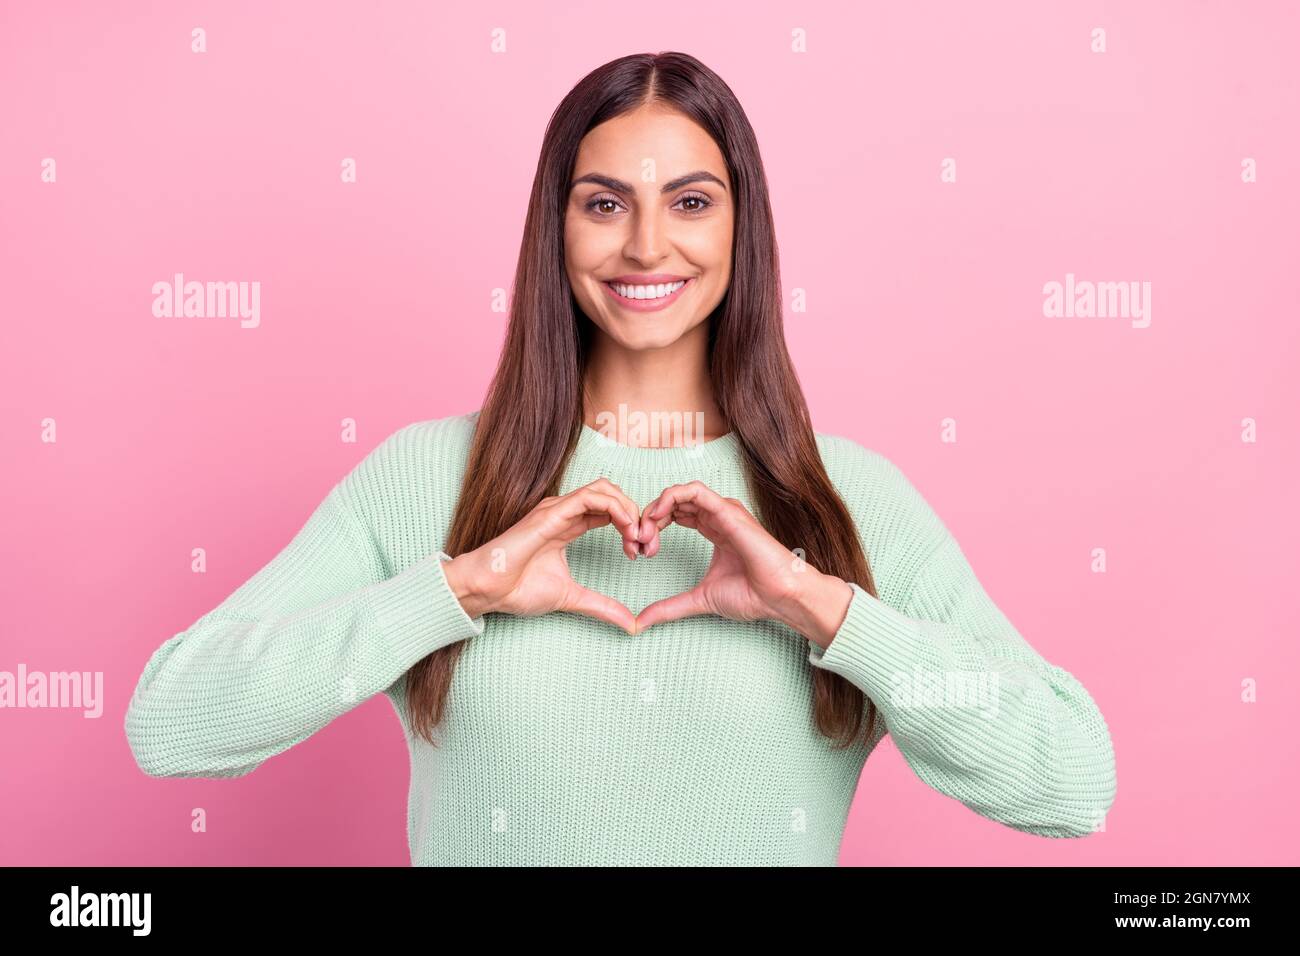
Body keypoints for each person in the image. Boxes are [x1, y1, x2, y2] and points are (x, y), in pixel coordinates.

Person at [124, 51, 1116, 866]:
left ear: (741, 228)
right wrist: (454, 591)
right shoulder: (423, 478)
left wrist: (820, 605)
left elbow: (1071, 779)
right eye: (604, 204)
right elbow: (171, 719)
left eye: (689, 203)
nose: (646, 245)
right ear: (554, 229)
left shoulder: (850, 498)